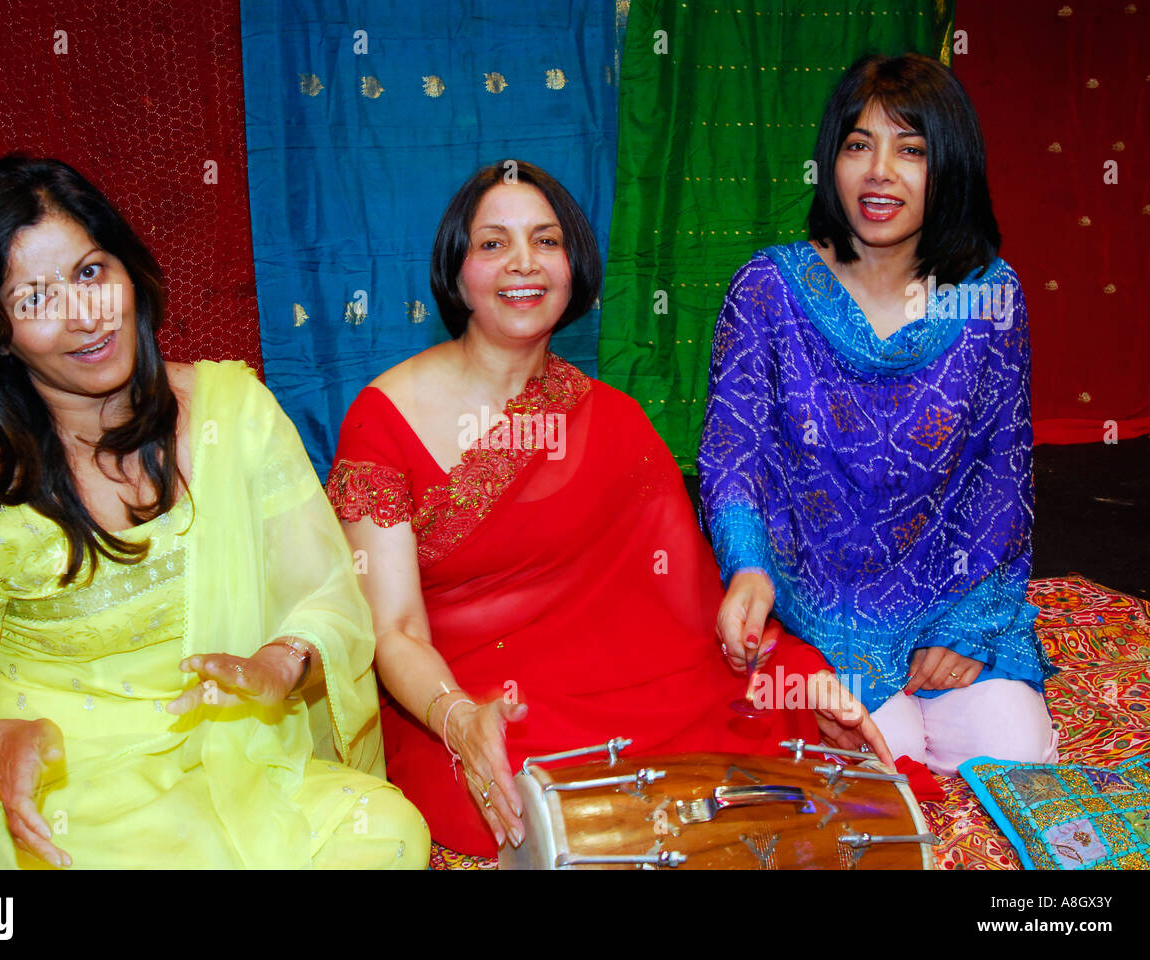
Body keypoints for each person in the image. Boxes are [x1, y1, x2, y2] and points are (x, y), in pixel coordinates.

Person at [327, 161, 889, 858]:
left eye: (547, 241)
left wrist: (794, 678)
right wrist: (461, 721)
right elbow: (394, 629)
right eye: (494, 244)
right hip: (461, 701)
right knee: (535, 795)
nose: (523, 264)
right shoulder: (384, 419)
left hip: (622, 684)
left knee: (724, 769)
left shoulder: (614, 421)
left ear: (575, 265)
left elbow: (685, 610)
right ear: (457, 269)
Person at [0, 156, 428, 869]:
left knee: (389, 834)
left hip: (239, 758)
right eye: (35, 299)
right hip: (71, 796)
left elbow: (326, 593)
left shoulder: (232, 414)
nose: (86, 316)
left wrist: (280, 664)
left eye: (89, 273)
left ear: (126, 269)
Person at [698, 53, 1058, 777]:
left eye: (911, 149)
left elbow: (1002, 470)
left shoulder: (988, 295)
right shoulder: (768, 290)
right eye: (859, 145)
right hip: (815, 602)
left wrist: (970, 624)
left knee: (1017, 753)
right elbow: (731, 455)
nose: (879, 172)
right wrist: (747, 568)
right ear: (831, 160)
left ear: (948, 165)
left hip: (946, 588)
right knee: (880, 764)